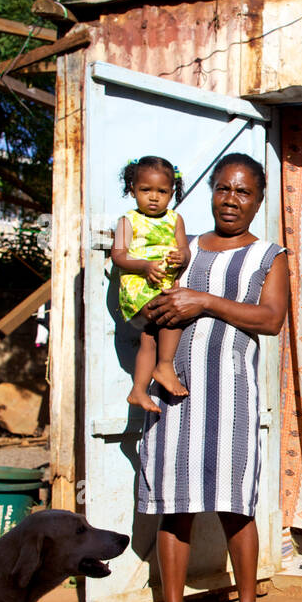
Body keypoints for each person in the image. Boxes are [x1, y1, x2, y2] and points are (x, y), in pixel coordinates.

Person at [135, 153, 290, 602]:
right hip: (174, 391)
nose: (230, 199)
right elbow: (148, 300)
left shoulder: (270, 254)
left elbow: (270, 320)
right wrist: (156, 303)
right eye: (223, 188)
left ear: (259, 199)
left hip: (232, 393)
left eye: (243, 192)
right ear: (211, 193)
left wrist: (202, 302)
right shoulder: (182, 248)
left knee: (235, 503)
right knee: (174, 506)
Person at [109, 155, 191, 413]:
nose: (154, 197)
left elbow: (185, 250)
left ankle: (138, 390)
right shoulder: (128, 221)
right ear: (132, 189)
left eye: (162, 191)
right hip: (138, 288)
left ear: (172, 193)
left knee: (149, 338)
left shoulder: (175, 220)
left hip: (164, 284)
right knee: (172, 315)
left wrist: (182, 257)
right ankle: (164, 365)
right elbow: (118, 255)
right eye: (146, 190)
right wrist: (144, 266)